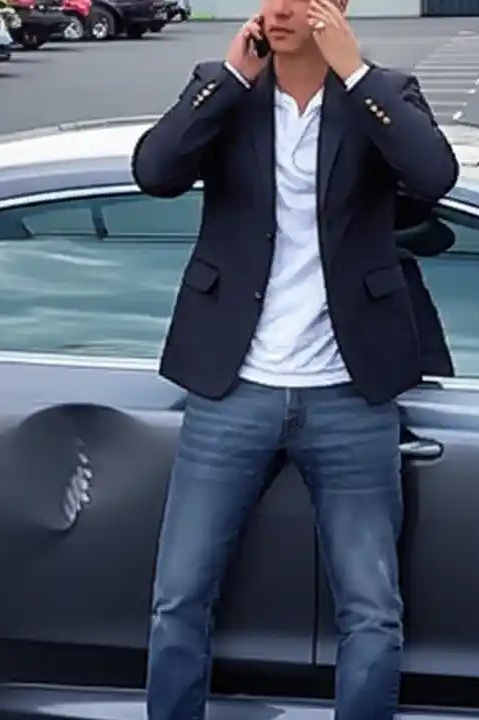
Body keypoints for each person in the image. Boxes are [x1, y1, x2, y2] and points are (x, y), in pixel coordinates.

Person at [130, 0, 459, 715]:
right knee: (179, 598)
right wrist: (225, 78)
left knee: (371, 608)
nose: (276, 8)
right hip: (232, 388)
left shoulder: (382, 93)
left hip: (349, 391)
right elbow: (154, 172)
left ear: (335, 8)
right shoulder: (230, 97)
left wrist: (355, 72)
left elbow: (433, 176)